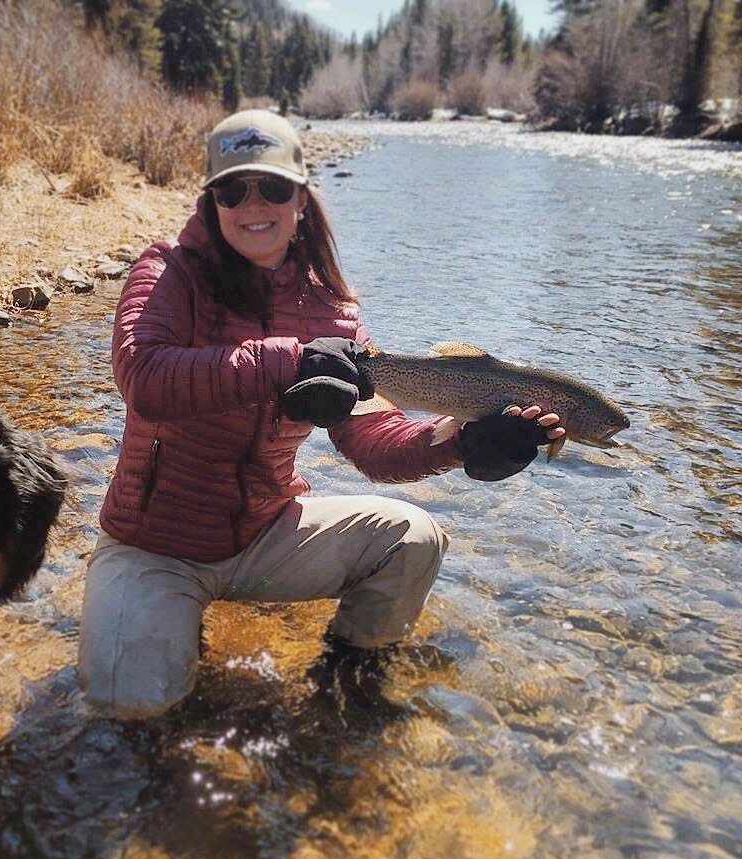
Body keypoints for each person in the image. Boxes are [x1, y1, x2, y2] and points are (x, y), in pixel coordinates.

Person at [78, 110, 565, 718]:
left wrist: (458, 441)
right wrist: (290, 360)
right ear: (212, 202)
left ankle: (346, 685)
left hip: (266, 533)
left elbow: (373, 442)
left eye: (273, 187)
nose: (254, 204)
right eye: (233, 190)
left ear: (302, 200)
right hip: (155, 547)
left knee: (413, 538)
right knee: (129, 708)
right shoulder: (167, 272)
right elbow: (144, 378)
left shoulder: (334, 313)